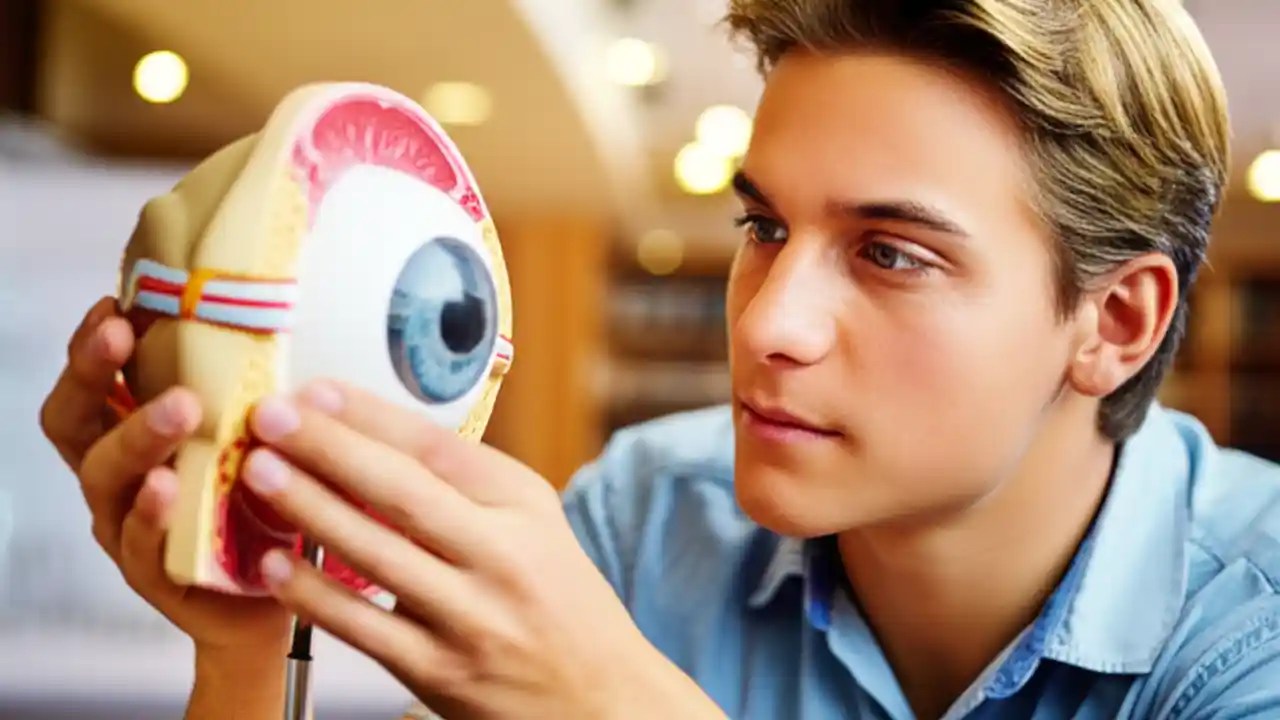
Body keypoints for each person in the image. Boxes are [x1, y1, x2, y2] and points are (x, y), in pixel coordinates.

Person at [37, 0, 1280, 718]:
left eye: (890, 254)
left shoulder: (1251, 636)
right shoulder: (644, 518)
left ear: (1114, 323)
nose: (768, 323)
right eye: (763, 228)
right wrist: (246, 642)